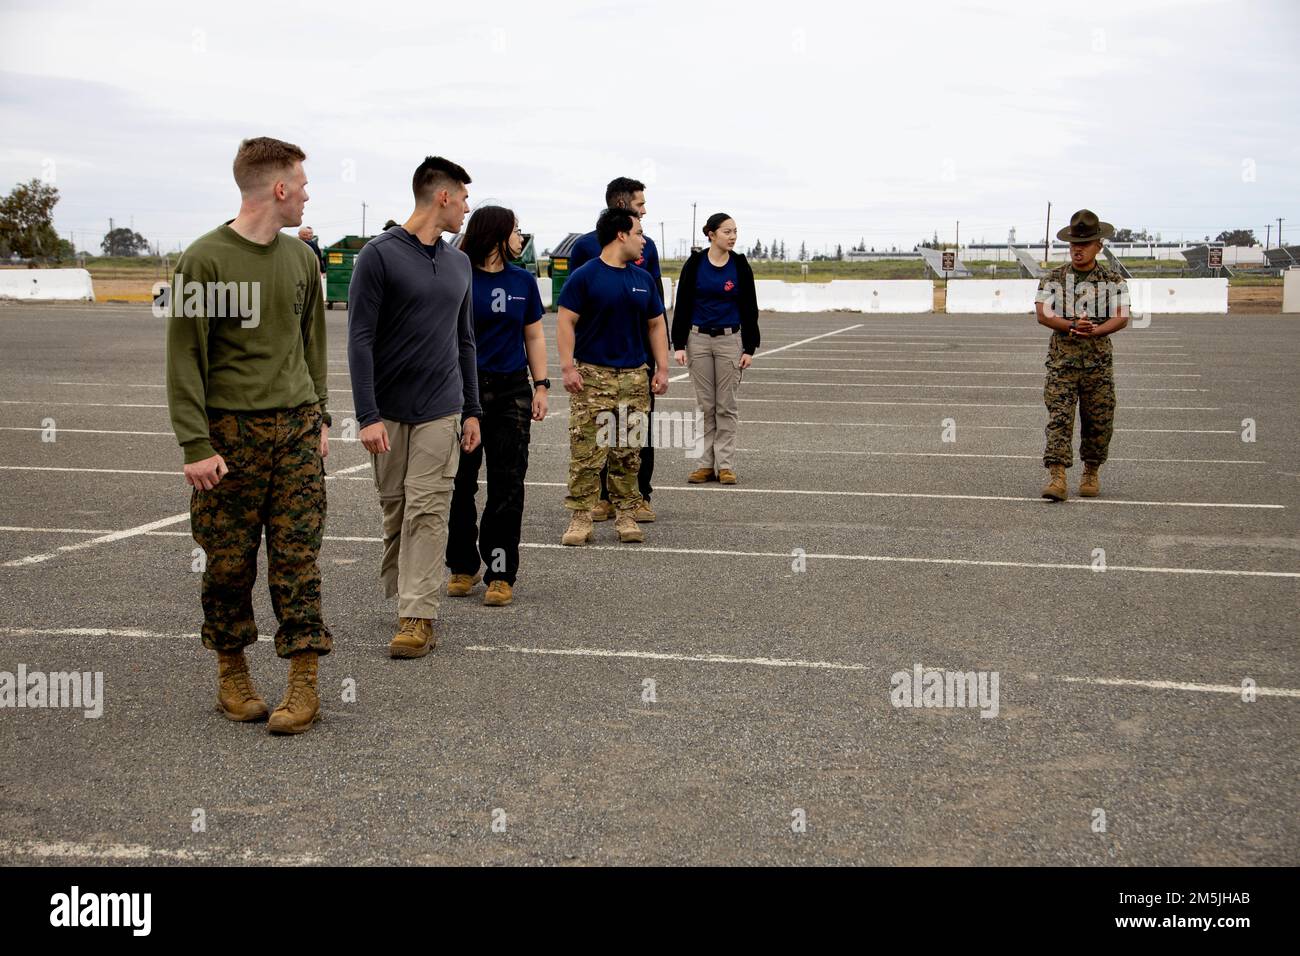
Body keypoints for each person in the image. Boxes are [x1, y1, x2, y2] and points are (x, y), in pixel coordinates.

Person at [165, 136, 332, 735]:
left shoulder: (301, 259)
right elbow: (185, 357)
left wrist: (321, 415)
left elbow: (311, 343)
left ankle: (304, 681)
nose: (308, 194)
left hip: (296, 430)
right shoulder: (203, 261)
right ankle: (232, 673)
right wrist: (195, 444)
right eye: (302, 184)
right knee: (229, 563)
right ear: (279, 188)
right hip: (228, 435)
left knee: (298, 558)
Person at [347, 156, 482, 657]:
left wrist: (472, 409)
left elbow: (465, 340)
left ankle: (417, 615)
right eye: (463, 198)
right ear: (442, 196)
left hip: (441, 408)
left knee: (428, 508)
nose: (466, 208)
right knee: (397, 509)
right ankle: (406, 592)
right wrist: (367, 415)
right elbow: (360, 338)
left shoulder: (459, 262)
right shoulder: (378, 256)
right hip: (388, 410)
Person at [445, 206, 548, 607]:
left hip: (511, 392)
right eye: (516, 230)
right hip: (461, 393)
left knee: (507, 486)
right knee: (459, 485)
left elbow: (533, 336)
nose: (521, 237)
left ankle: (500, 572)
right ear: (497, 234)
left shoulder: (523, 281)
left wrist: (541, 386)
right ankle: (462, 565)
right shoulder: (457, 275)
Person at [558, 207, 669, 546]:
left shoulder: (643, 280)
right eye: (638, 233)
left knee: (628, 453)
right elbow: (566, 321)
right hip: (592, 377)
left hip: (634, 378)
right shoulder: (585, 276)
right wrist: (567, 367)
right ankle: (581, 518)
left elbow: (656, 324)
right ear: (621, 234)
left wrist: (662, 368)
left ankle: (625, 515)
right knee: (587, 452)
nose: (643, 240)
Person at [1034, 209, 1129, 501]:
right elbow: (1042, 313)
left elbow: (1122, 316)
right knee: (1059, 419)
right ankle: (1057, 476)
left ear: (1098, 245)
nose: (1078, 249)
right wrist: (1071, 326)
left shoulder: (1113, 280)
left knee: (1098, 421)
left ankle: (1091, 470)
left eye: (1085, 244)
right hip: (1062, 364)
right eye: (1074, 244)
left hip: (1097, 364)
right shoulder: (1053, 278)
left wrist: (1096, 331)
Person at [670, 213, 760, 484]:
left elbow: (750, 308)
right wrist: (679, 344)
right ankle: (704, 465)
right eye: (726, 231)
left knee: (726, 406)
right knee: (705, 406)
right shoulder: (695, 264)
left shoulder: (740, 265)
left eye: (735, 231)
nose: (732, 237)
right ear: (711, 234)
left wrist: (749, 347)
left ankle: (726, 465)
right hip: (697, 340)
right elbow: (682, 304)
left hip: (729, 340)